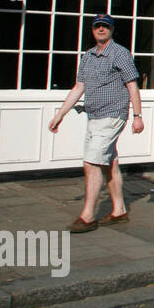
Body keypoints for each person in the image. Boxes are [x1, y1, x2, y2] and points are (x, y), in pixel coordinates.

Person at [48, 14, 144, 232]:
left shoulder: (120, 54)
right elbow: (78, 88)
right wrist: (59, 115)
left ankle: (88, 216)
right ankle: (119, 210)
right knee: (110, 162)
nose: (101, 29)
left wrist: (137, 116)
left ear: (112, 30)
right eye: (97, 26)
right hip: (94, 116)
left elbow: (132, 86)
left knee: (91, 163)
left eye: (105, 26)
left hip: (112, 116)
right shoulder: (88, 56)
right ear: (92, 30)